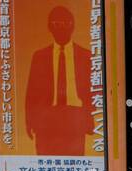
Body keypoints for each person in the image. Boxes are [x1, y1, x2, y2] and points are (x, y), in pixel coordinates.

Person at [24, 5, 93, 156]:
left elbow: (93, 91)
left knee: (74, 165)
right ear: (49, 27)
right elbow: (31, 92)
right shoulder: (39, 57)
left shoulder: (86, 56)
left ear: (73, 26)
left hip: (74, 117)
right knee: (46, 163)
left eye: (66, 23)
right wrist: (29, 122)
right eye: (56, 24)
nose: (61, 28)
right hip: (47, 118)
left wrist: (90, 118)